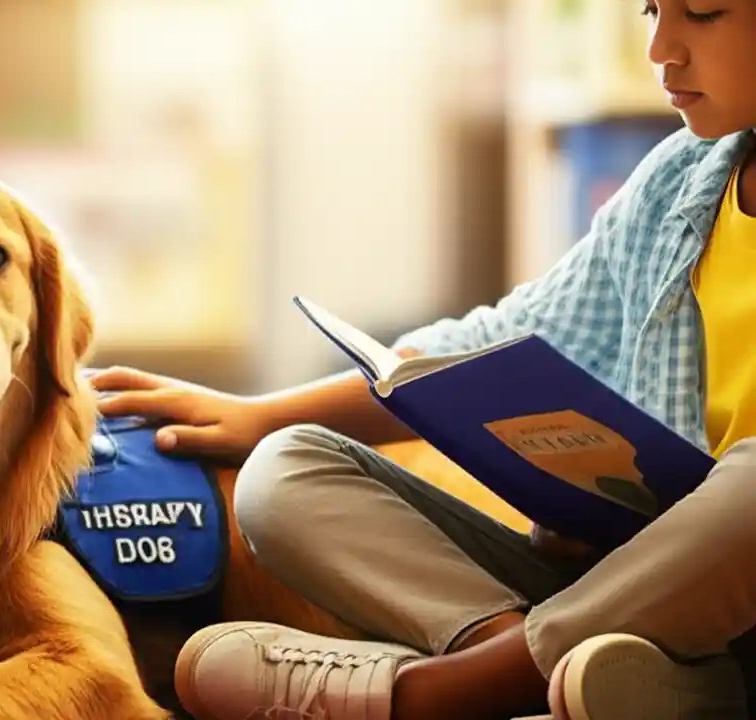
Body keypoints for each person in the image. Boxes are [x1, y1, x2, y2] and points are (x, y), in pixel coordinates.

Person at [92, 1, 756, 718]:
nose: (661, 48)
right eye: (652, 8)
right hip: (627, 590)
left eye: (703, 12)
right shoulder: (679, 182)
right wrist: (259, 417)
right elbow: (505, 340)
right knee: (288, 470)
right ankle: (606, 679)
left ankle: (441, 693)